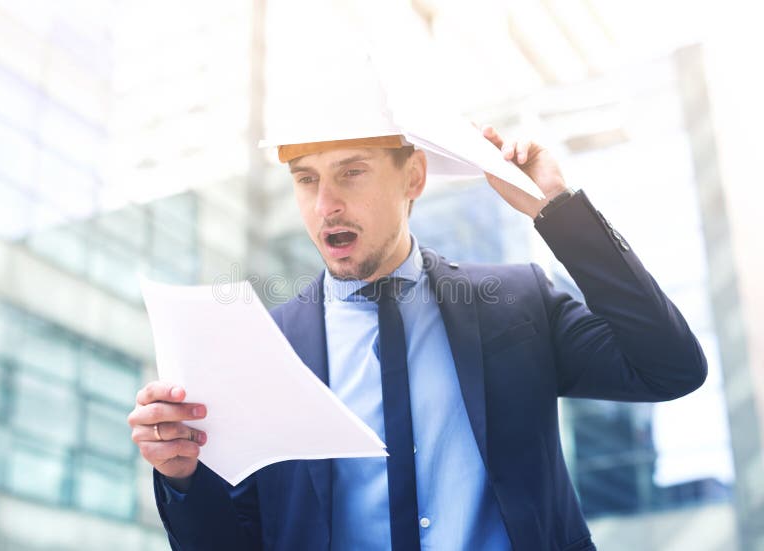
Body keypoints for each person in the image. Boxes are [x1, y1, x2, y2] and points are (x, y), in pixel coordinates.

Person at [127, 126, 707, 551]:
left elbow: (670, 367)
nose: (326, 204)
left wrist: (557, 213)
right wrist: (182, 475)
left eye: (351, 171)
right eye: (307, 179)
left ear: (414, 177)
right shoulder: (262, 347)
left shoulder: (516, 304)